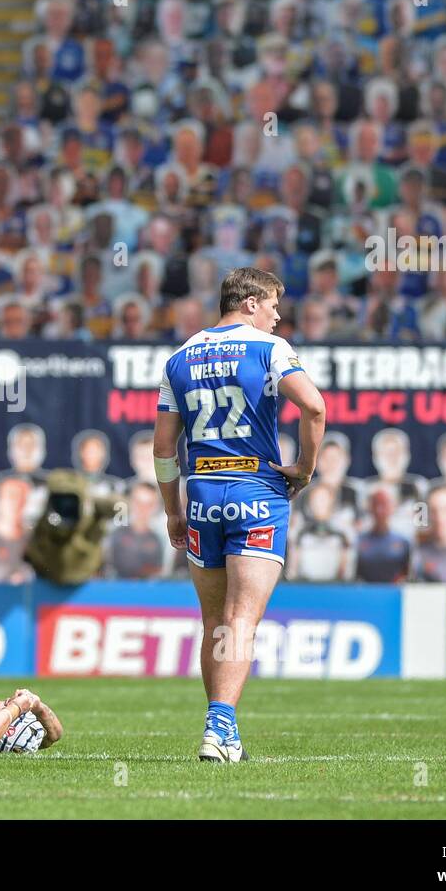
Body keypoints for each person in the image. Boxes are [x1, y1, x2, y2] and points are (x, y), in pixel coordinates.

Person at [153, 267, 326, 763]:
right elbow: (314, 408)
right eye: (273, 305)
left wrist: (173, 511)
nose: (277, 316)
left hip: (203, 490)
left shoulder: (179, 357)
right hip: (257, 488)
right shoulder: (269, 349)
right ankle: (220, 729)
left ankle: (219, 729)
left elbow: (164, 448)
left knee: (214, 621)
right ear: (249, 303)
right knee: (241, 620)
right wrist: (305, 470)